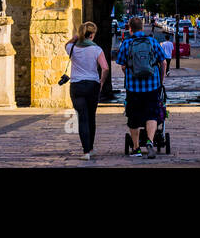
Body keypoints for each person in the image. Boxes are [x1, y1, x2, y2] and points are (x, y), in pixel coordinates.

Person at [115, 17, 168, 158]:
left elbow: (122, 64)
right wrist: (160, 80)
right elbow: (163, 62)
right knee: (152, 114)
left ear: (130, 28)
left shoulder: (126, 44)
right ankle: (150, 141)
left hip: (133, 88)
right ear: (142, 27)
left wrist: (129, 73)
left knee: (133, 116)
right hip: (152, 86)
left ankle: (136, 148)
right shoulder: (152, 41)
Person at [64, 21, 109, 160]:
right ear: (92, 34)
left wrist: (76, 37)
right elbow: (105, 68)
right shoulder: (97, 49)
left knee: (82, 118)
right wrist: (101, 82)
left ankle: (86, 152)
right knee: (91, 117)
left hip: (77, 86)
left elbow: (66, 44)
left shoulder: (72, 48)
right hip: (92, 85)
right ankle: (91, 148)